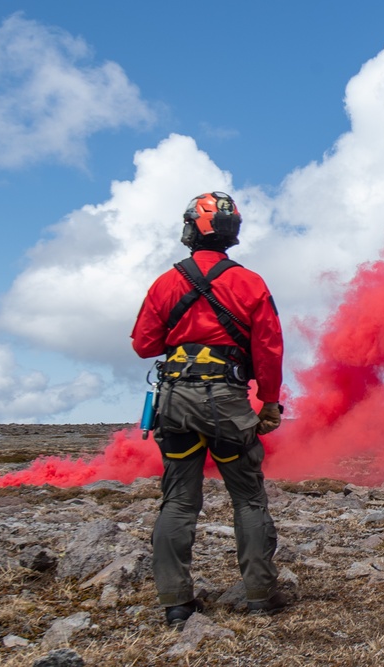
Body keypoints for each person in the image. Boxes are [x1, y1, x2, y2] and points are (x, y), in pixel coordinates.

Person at [131, 191, 288, 627]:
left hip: (177, 402)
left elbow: (144, 345)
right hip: (229, 404)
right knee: (248, 499)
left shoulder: (166, 283)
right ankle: (259, 593)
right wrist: (270, 401)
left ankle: (176, 603)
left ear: (191, 229)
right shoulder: (251, 283)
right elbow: (269, 348)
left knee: (179, 501)